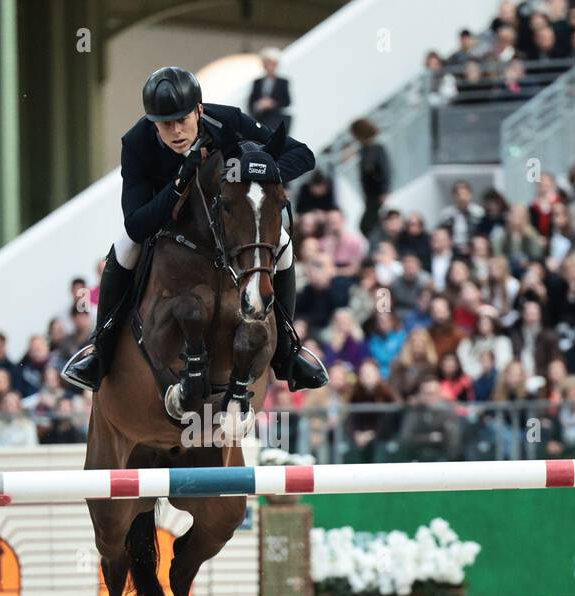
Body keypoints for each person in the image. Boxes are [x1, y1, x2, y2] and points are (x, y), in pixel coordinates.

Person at [62, 66, 325, 393]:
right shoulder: (137, 143)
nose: (174, 131)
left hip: (224, 221)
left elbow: (303, 155)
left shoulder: (225, 120)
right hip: (166, 224)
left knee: (283, 247)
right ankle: (101, 348)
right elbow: (136, 222)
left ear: (199, 110)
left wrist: (260, 171)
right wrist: (180, 181)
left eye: (182, 120)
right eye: (164, 124)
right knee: (124, 247)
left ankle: (288, 349)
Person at [352, 117, 391, 238]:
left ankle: (380, 241)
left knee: (366, 224)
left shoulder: (378, 149)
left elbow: (386, 170)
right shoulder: (363, 150)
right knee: (373, 222)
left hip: (377, 192)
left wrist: (384, 191)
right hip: (369, 193)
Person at [247, 47, 291, 133]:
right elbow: (251, 101)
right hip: (260, 119)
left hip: (275, 121)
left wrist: (272, 103)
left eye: (271, 63)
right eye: (266, 63)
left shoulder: (283, 82)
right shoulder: (257, 82)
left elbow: (287, 101)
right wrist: (258, 105)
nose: (268, 66)